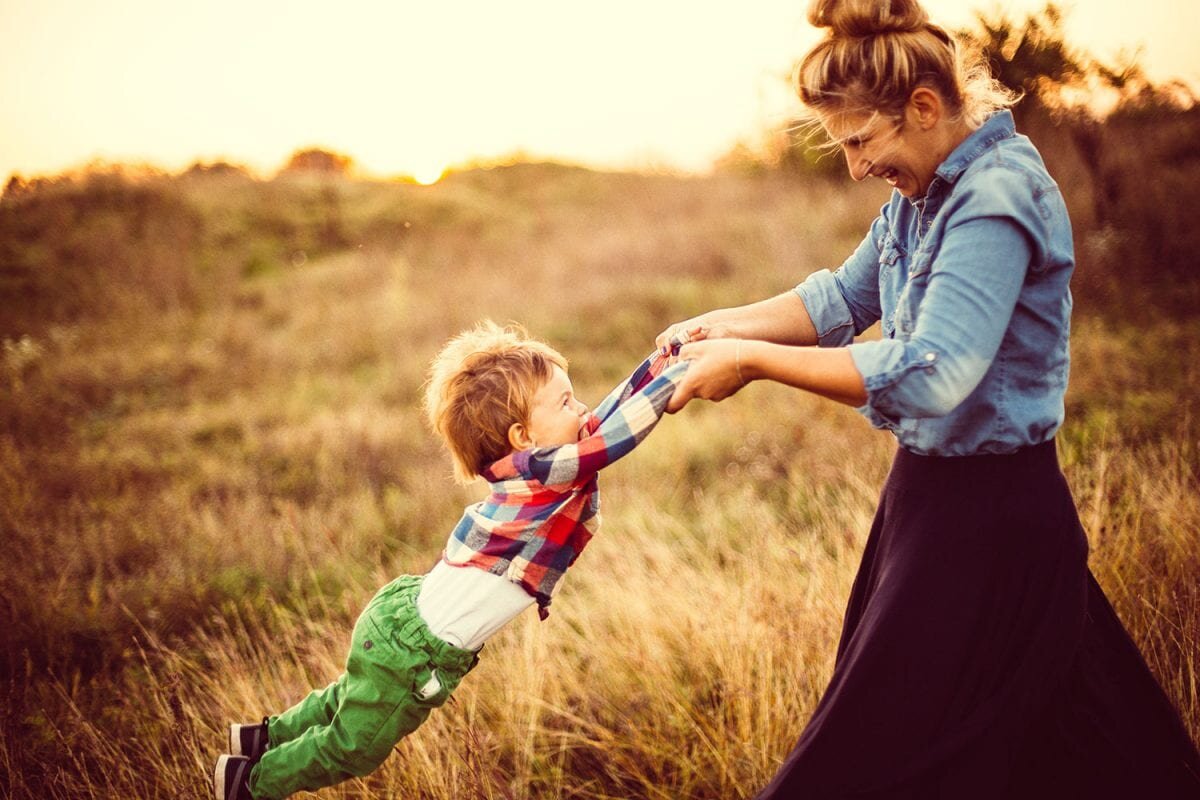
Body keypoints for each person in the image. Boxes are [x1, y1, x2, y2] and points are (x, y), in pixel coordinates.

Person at [657, 0, 1200, 796]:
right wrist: (719, 325)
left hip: (993, 521)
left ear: (923, 107)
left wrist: (753, 361)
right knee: (1063, 749)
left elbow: (934, 372)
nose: (853, 166)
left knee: (861, 764)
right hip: (925, 504)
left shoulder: (997, 195)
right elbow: (840, 300)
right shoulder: (920, 198)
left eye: (859, 141)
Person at [212, 321, 688, 800]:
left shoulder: (535, 468)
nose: (581, 408)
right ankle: (249, 786)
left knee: (347, 697)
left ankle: (261, 740)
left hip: (402, 620)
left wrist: (659, 363)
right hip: (414, 653)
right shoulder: (546, 472)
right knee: (354, 747)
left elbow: (603, 419)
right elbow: (613, 439)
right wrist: (676, 380)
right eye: (566, 402)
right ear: (522, 436)